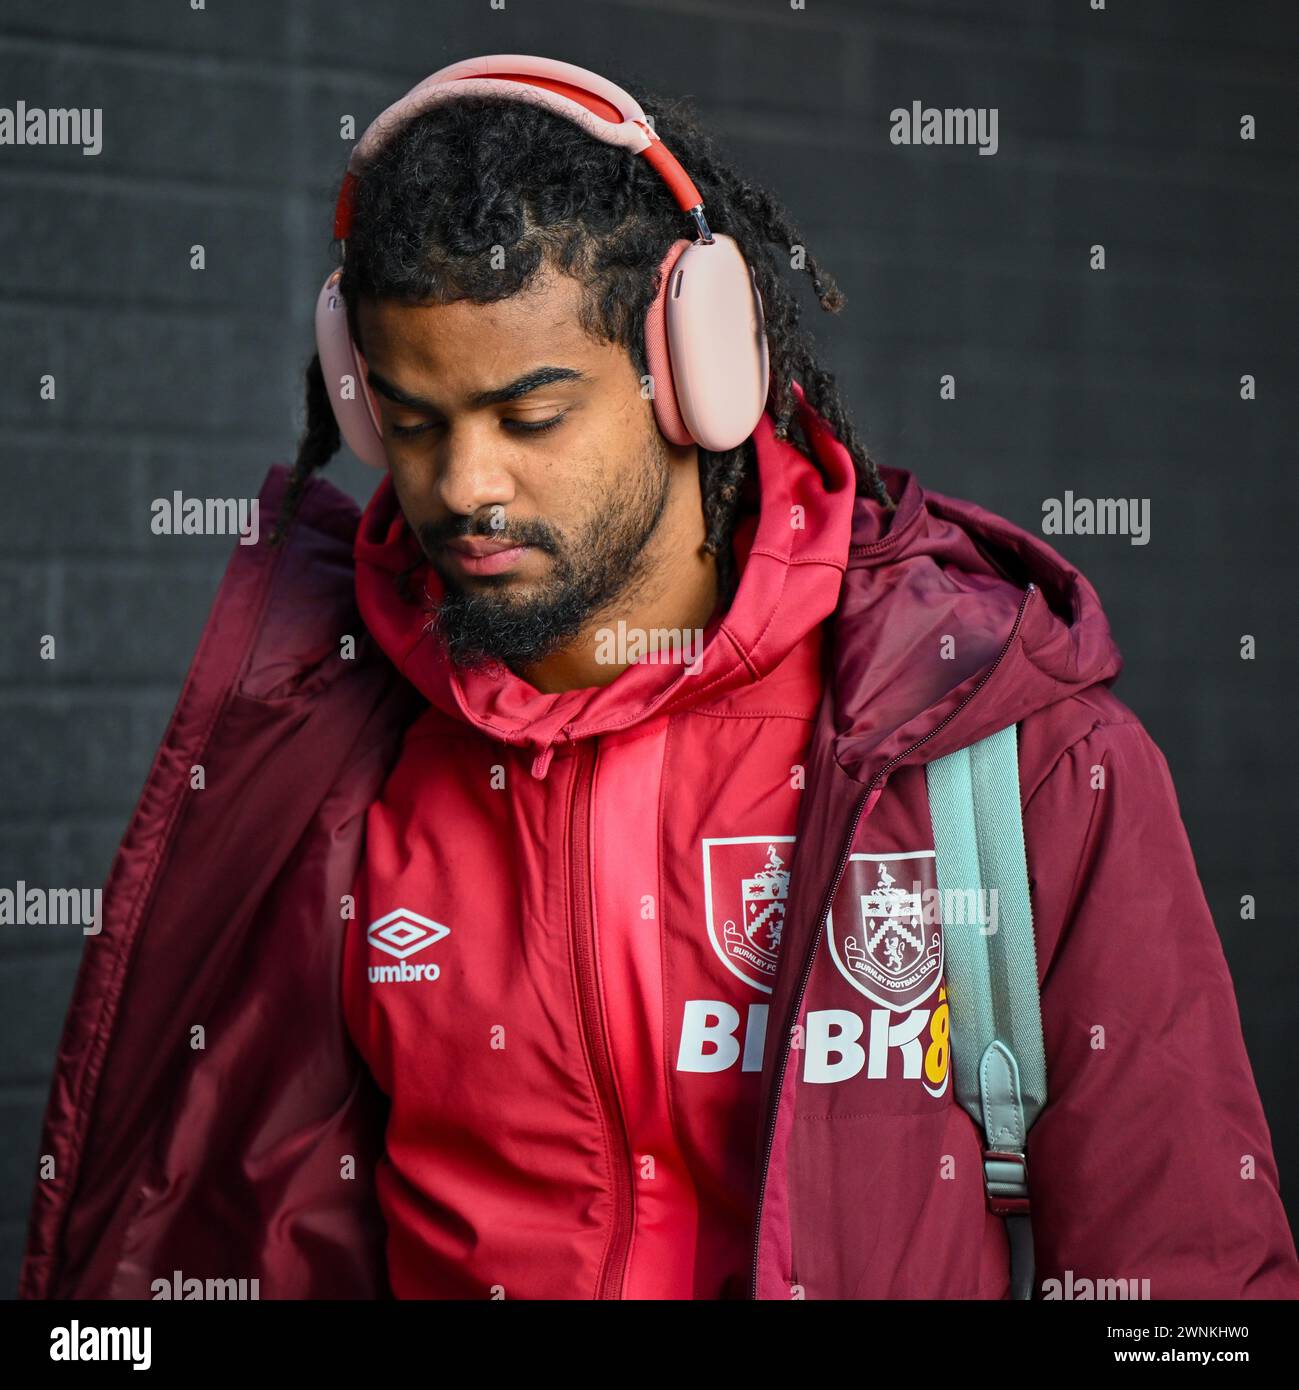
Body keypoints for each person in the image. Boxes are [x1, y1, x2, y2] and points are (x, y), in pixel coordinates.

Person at [21, 54, 1299, 1301]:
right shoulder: (325, 757)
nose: (464, 486)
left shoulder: (999, 755)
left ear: (698, 375)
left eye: (531, 417)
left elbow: (1183, 1273)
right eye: (412, 424)